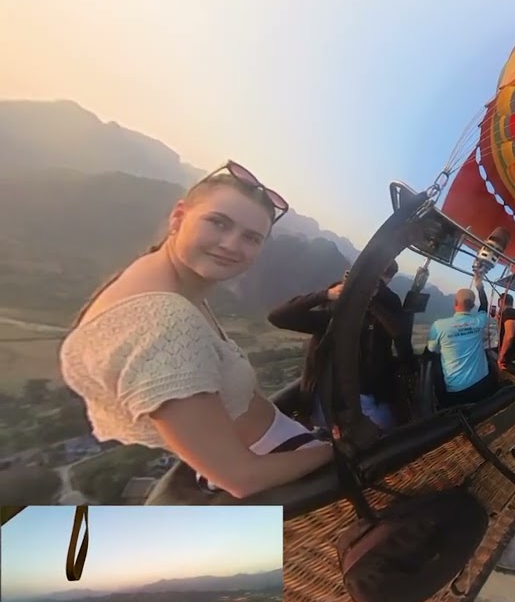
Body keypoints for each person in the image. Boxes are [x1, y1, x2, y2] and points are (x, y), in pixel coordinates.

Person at [58, 161, 333, 500]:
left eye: (251, 237)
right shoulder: (163, 324)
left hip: (277, 448)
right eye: (218, 223)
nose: (232, 245)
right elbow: (241, 477)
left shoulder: (167, 283)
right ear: (178, 216)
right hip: (276, 472)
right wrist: (334, 449)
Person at [267, 260, 413, 432]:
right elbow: (277, 317)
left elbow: (399, 333)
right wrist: (326, 295)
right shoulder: (330, 319)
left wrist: (371, 302)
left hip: (365, 395)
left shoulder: (385, 307)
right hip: (330, 400)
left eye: (386, 275)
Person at [426, 273, 498, 407]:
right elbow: (484, 305)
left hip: (456, 389)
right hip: (483, 383)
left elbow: (432, 350)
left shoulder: (439, 325)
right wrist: (479, 285)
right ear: (472, 306)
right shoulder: (478, 321)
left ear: (455, 303)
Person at [495, 293, 515, 371]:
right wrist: (498, 320)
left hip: (510, 355)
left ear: (501, 301)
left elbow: (509, 335)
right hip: (511, 353)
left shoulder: (509, 312)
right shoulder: (510, 312)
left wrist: (501, 355)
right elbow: (503, 331)